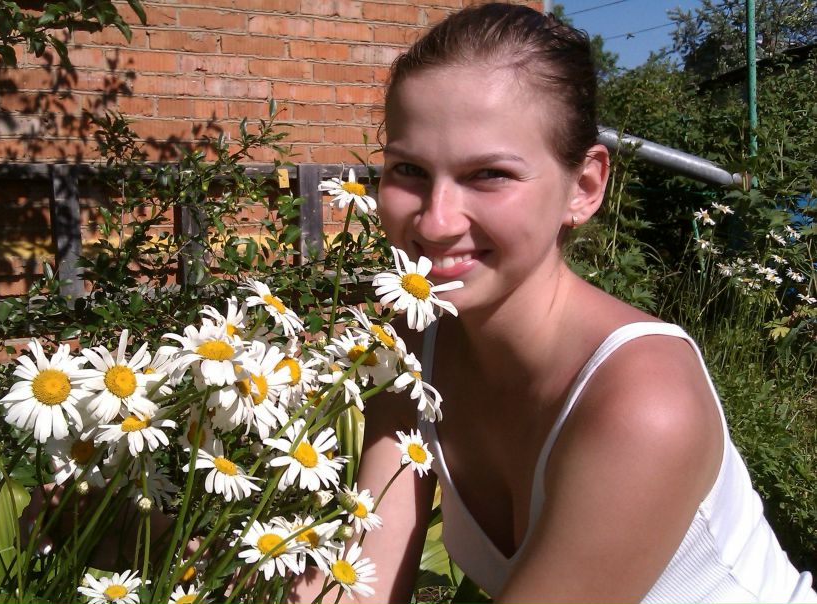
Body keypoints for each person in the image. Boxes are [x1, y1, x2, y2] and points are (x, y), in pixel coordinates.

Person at [293, 3, 817, 603]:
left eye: (489, 174)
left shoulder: (643, 400)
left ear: (584, 187)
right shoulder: (414, 347)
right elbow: (363, 579)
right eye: (409, 169)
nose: (436, 222)